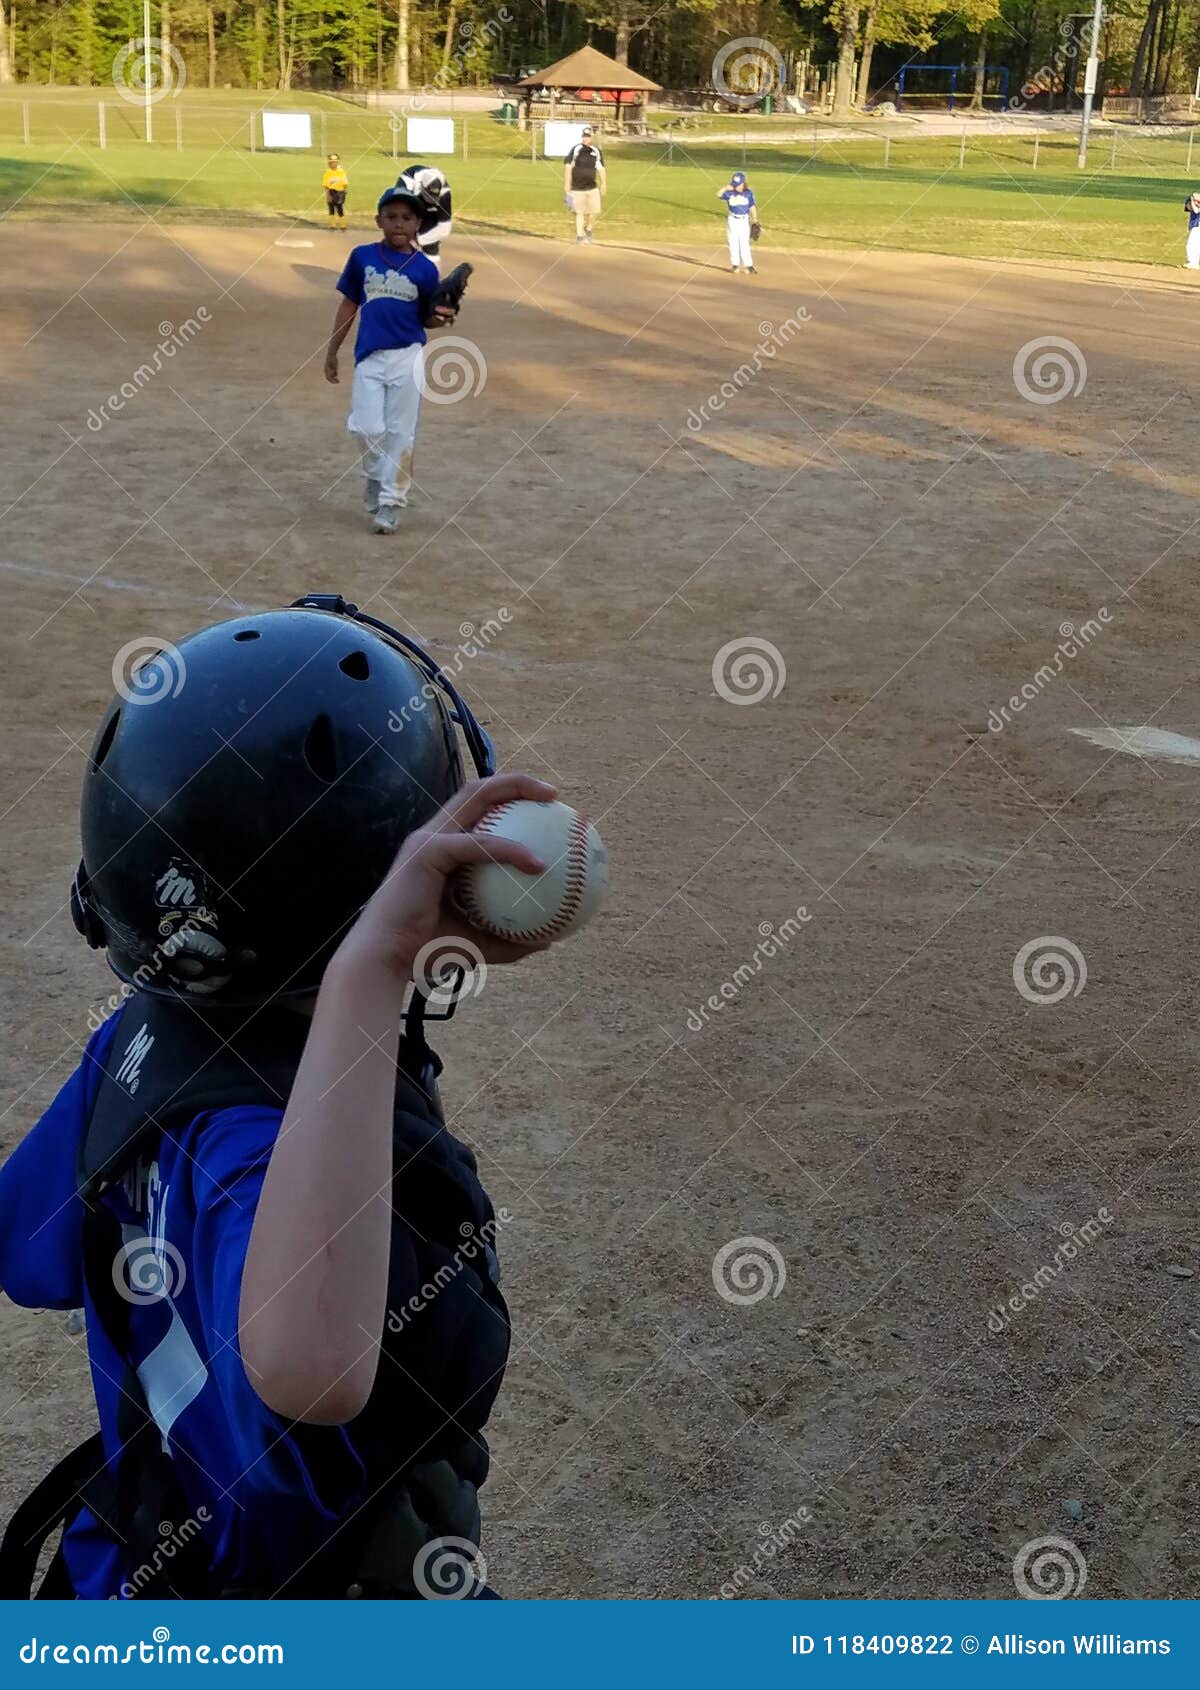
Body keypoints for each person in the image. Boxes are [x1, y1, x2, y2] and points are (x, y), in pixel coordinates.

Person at [0, 594, 556, 1599]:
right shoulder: (263, 1155)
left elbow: (26, 1248)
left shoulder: (144, 1042)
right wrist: (374, 967)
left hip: (127, 1568)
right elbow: (312, 1370)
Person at [324, 186, 456, 535]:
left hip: (408, 356)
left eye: (407, 218)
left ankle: (391, 503)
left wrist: (441, 316)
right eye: (392, 216)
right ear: (378, 220)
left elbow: (427, 318)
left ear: (418, 225)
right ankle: (375, 475)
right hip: (370, 355)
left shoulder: (425, 269)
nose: (399, 223)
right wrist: (332, 350)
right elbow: (349, 304)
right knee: (365, 428)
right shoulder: (362, 257)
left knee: (401, 434)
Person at [395, 162, 453, 269]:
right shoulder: (406, 183)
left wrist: (423, 240)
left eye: (435, 197)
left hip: (428, 212)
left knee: (431, 246)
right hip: (408, 205)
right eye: (429, 196)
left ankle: (433, 281)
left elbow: (445, 229)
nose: (432, 200)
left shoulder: (444, 192)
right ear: (422, 187)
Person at [563, 124, 605, 245]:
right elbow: (568, 166)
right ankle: (580, 235)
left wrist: (604, 184)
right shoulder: (576, 149)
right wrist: (567, 184)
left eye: (587, 137)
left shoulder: (596, 151)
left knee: (594, 212)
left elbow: (601, 169)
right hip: (577, 188)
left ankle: (589, 229)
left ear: (591, 138)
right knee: (579, 212)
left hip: (592, 187)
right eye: (584, 136)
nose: (585, 139)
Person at [718, 171, 758, 275]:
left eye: (738, 185)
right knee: (733, 242)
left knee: (744, 243)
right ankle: (735, 265)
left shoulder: (748, 193)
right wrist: (725, 188)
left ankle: (748, 266)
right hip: (732, 220)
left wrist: (755, 220)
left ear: (744, 183)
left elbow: (752, 207)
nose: (736, 187)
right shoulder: (729, 193)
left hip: (744, 221)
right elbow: (718, 194)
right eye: (734, 185)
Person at [322, 153, 349, 230]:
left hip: (339, 192)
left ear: (337, 162)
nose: (333, 164)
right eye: (331, 162)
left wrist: (343, 192)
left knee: (339, 208)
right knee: (331, 208)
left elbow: (345, 183)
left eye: (335, 162)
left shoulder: (341, 172)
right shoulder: (327, 172)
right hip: (331, 192)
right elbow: (325, 185)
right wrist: (328, 195)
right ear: (329, 163)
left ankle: (343, 225)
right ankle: (332, 225)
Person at [1185, 190, 1200, 269]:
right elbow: (1188, 207)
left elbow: (1196, 211)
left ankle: (1192, 262)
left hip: (1197, 226)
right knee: (1195, 245)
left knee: (1190, 244)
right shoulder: (1193, 202)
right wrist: (1191, 201)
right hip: (1194, 226)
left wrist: (1193, 200)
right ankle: (1194, 263)